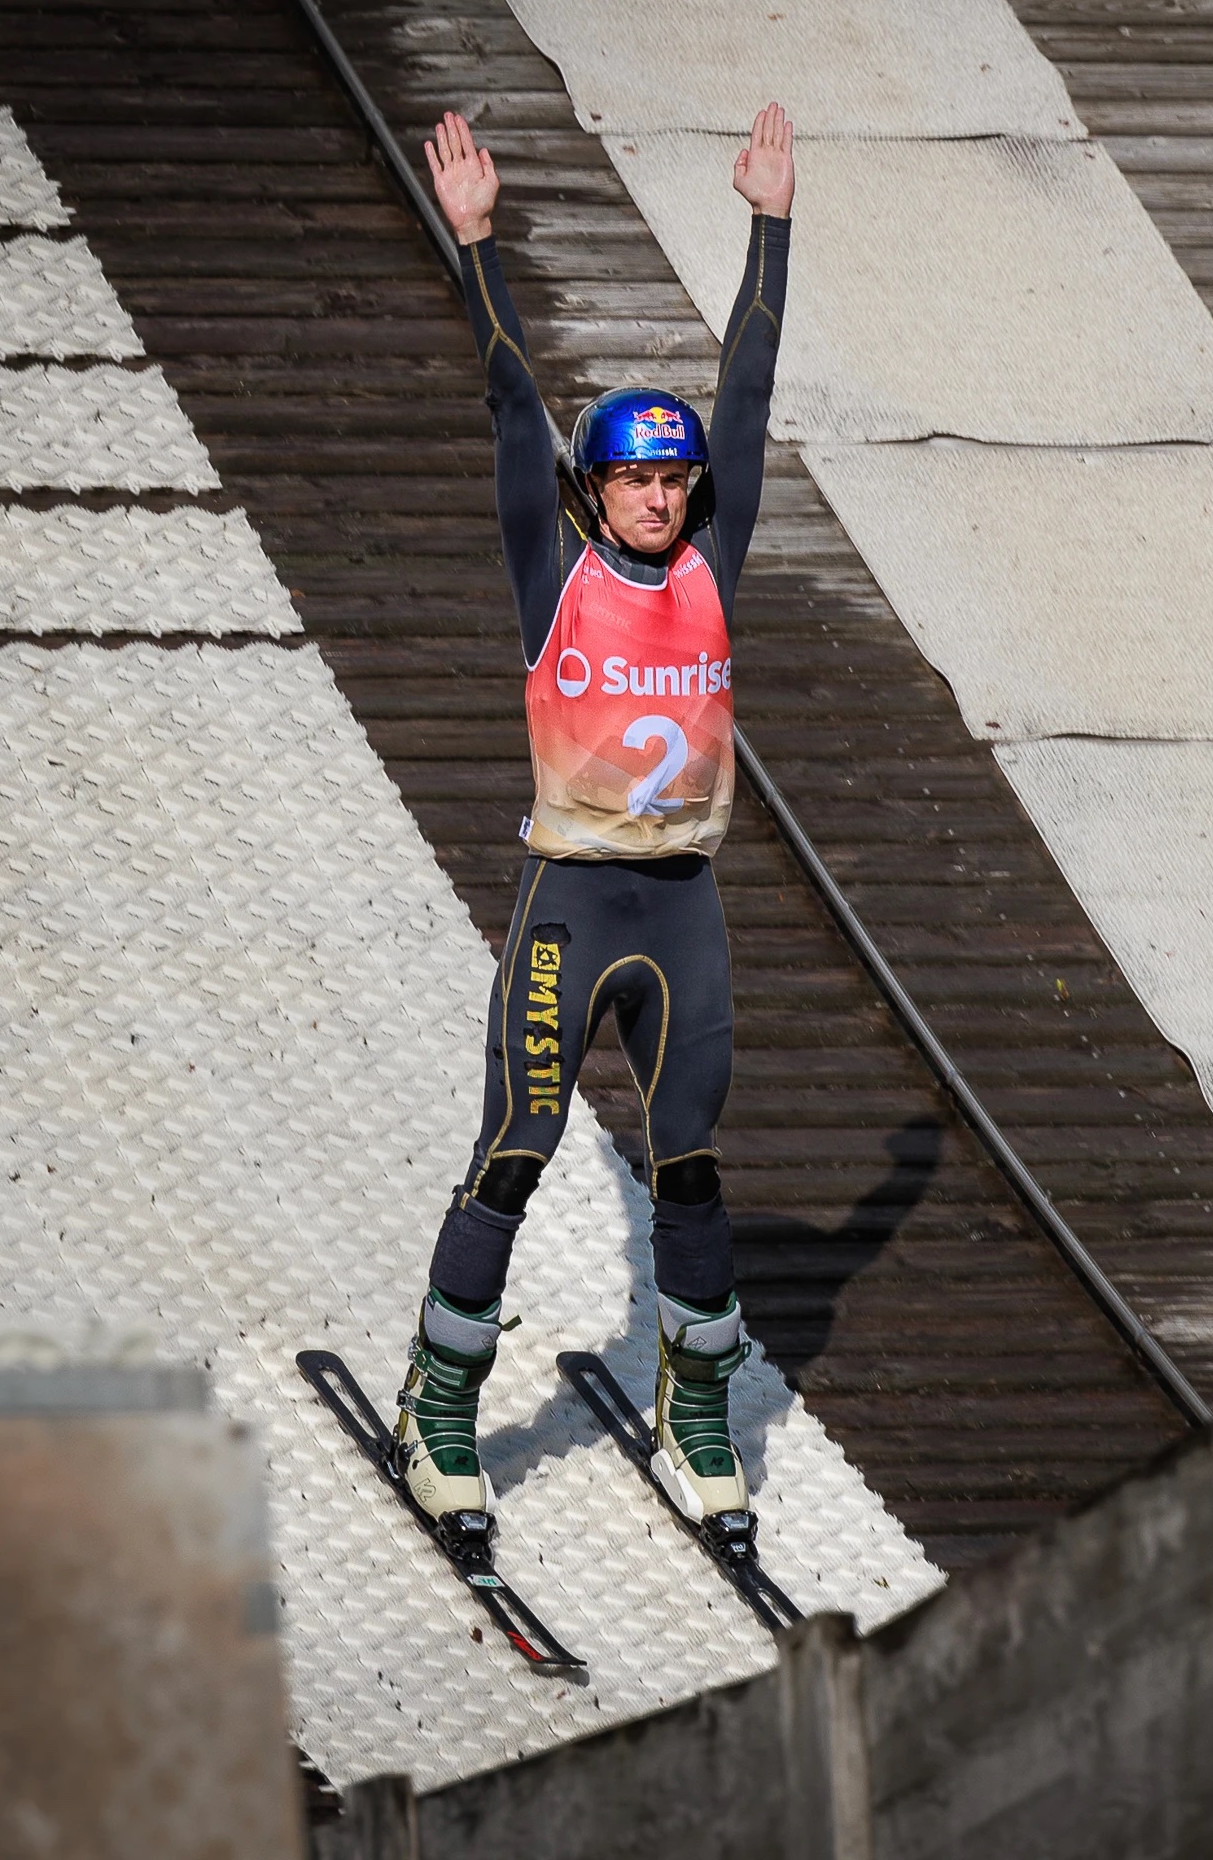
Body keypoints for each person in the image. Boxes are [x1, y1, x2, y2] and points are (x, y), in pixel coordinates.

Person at [392, 102, 794, 1546]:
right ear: (593, 487)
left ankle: (700, 1404)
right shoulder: (551, 571)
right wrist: (479, 247)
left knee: (687, 1161)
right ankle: (440, 1402)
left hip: (681, 907)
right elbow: (511, 404)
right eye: (632, 474)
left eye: (671, 475)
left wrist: (772, 222)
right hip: (573, 898)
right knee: (519, 1144)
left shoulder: (716, 555)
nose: (658, 493)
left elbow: (748, 393)